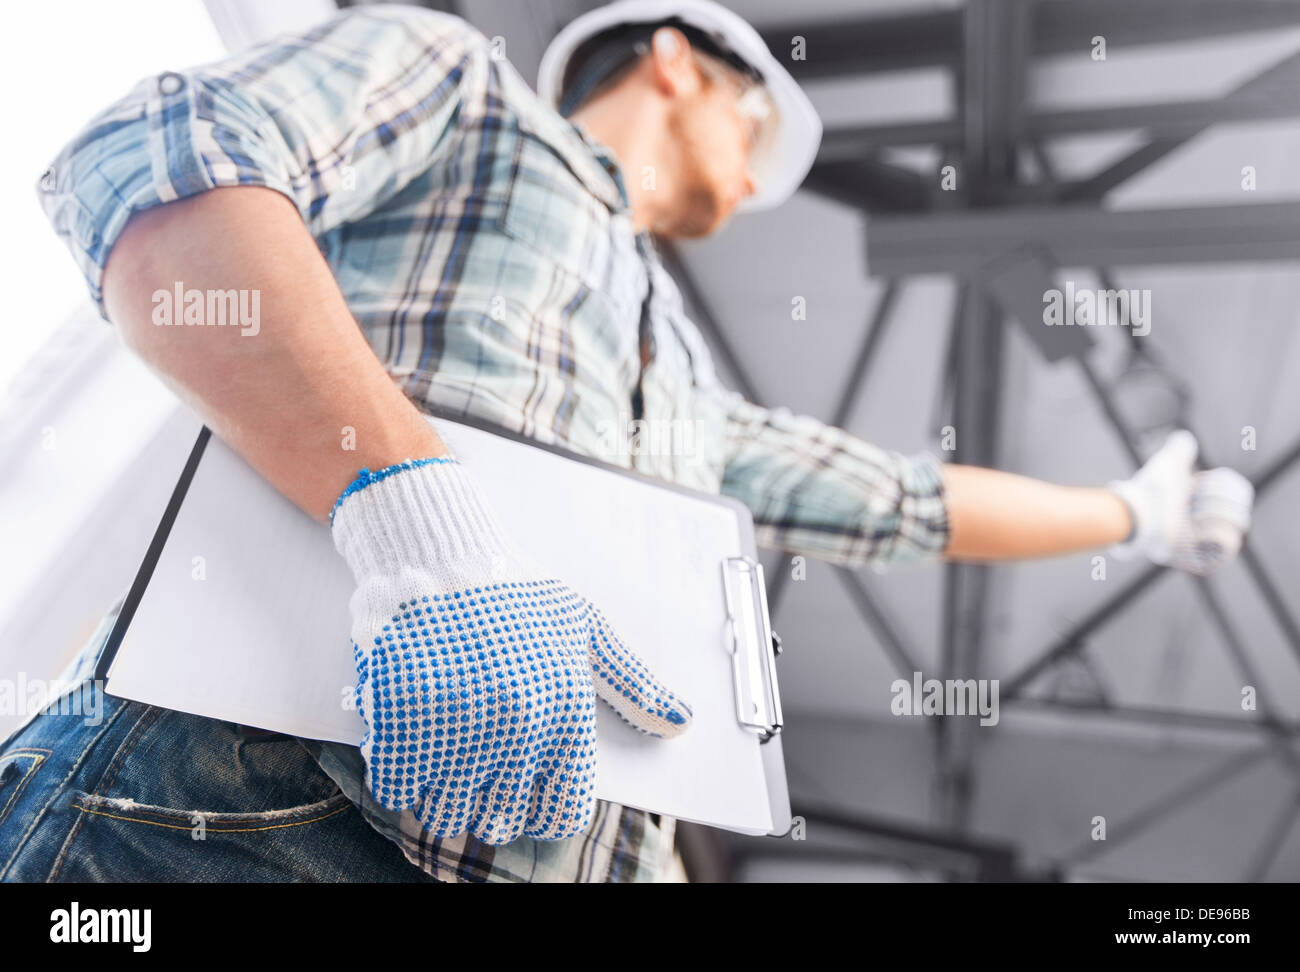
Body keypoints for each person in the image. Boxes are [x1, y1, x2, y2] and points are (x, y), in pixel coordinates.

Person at [0, 0, 1252, 883]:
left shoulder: (690, 389)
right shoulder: (470, 90)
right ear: (675, 60)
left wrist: (1132, 514)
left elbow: (896, 500)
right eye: (756, 124)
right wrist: (419, 530)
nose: (757, 177)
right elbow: (158, 170)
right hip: (236, 814)